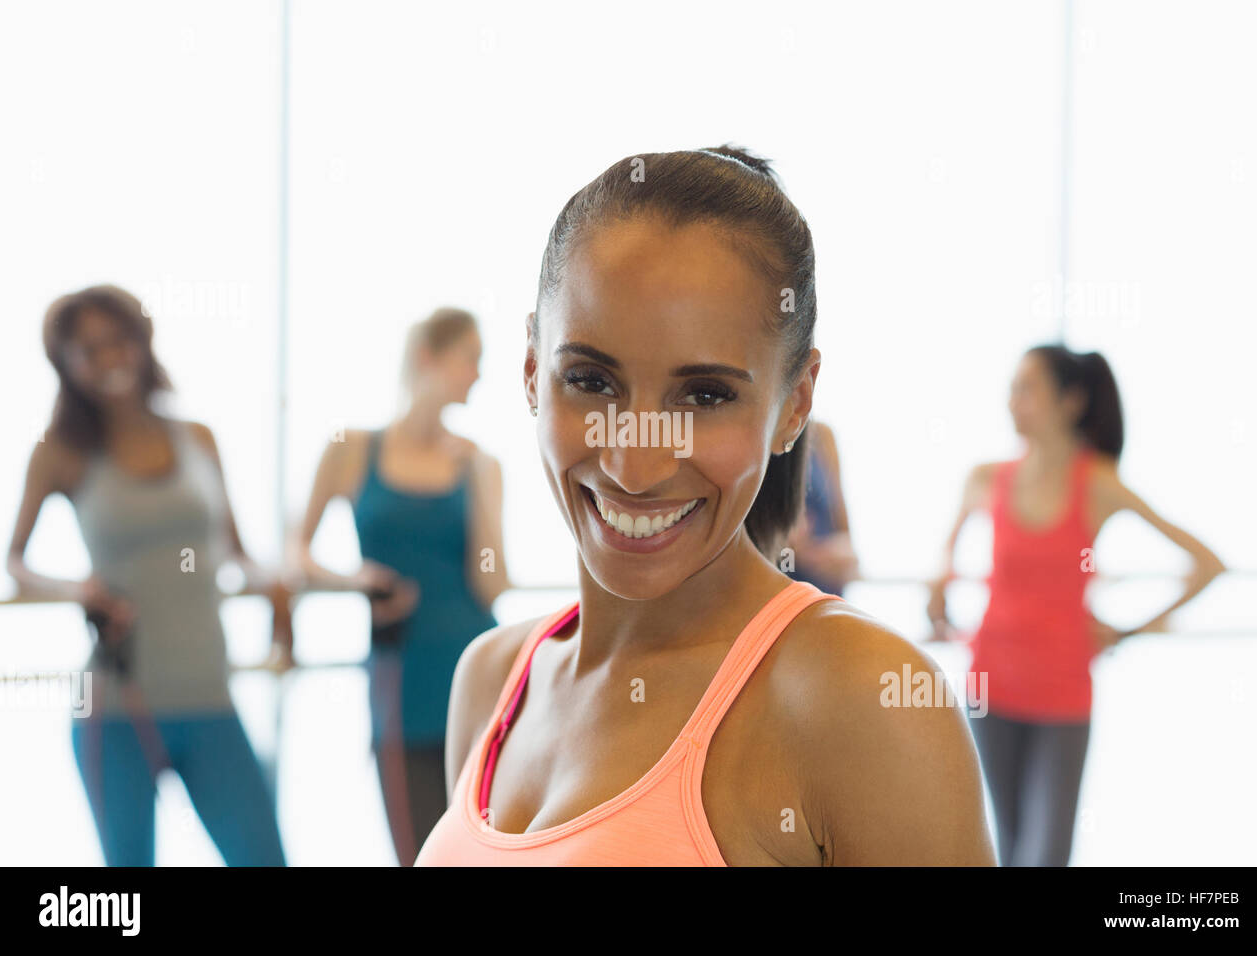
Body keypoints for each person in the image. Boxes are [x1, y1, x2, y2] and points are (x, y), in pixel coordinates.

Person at [415, 145, 996, 866]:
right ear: (533, 368)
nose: (633, 462)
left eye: (705, 396)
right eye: (592, 380)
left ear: (796, 404)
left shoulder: (861, 702)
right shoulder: (492, 680)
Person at [6, 284, 287, 866]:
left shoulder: (198, 438)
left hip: (210, 694)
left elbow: (237, 553)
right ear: (65, 364)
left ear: (141, 340)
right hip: (113, 709)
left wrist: (277, 583)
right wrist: (77, 589)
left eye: (116, 341)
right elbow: (16, 563)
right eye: (86, 349)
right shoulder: (59, 452)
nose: (106, 357)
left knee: (264, 858)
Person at [926, 344, 1226, 866]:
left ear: (1071, 401)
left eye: (1027, 388)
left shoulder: (1099, 484)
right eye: (1012, 388)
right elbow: (945, 557)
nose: (1013, 401)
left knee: (1047, 855)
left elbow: (1206, 564)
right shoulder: (985, 478)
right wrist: (941, 589)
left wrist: (1130, 631)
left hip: (1064, 693)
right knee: (1004, 847)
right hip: (991, 684)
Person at [294, 307, 509, 865]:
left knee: (489, 852)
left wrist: (479, 486)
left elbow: (493, 585)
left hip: (481, 677)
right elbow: (295, 553)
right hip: (400, 680)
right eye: (471, 359)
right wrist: (353, 579)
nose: (479, 376)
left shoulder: (479, 463)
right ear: (428, 358)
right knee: (419, 853)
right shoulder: (349, 449)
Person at [784, 419, 860, 595]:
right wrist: (787, 546)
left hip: (824, 587)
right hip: (782, 583)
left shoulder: (822, 435)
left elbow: (845, 536)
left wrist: (843, 555)